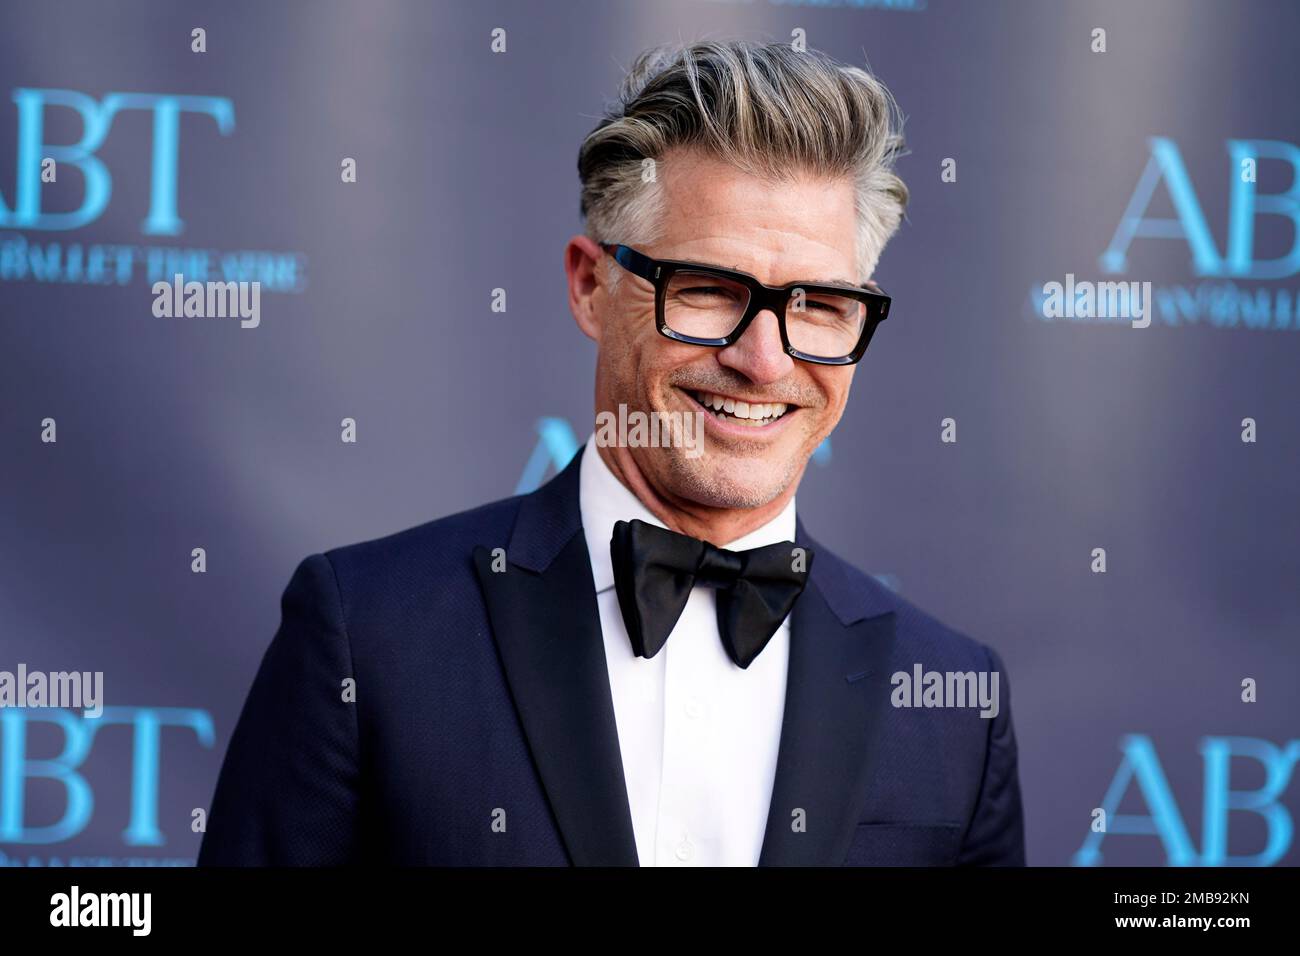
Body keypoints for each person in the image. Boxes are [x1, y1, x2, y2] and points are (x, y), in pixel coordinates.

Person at [199, 39, 1024, 867]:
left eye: (818, 305)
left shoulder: (952, 701)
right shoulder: (367, 633)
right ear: (592, 286)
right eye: (708, 290)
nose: (765, 360)